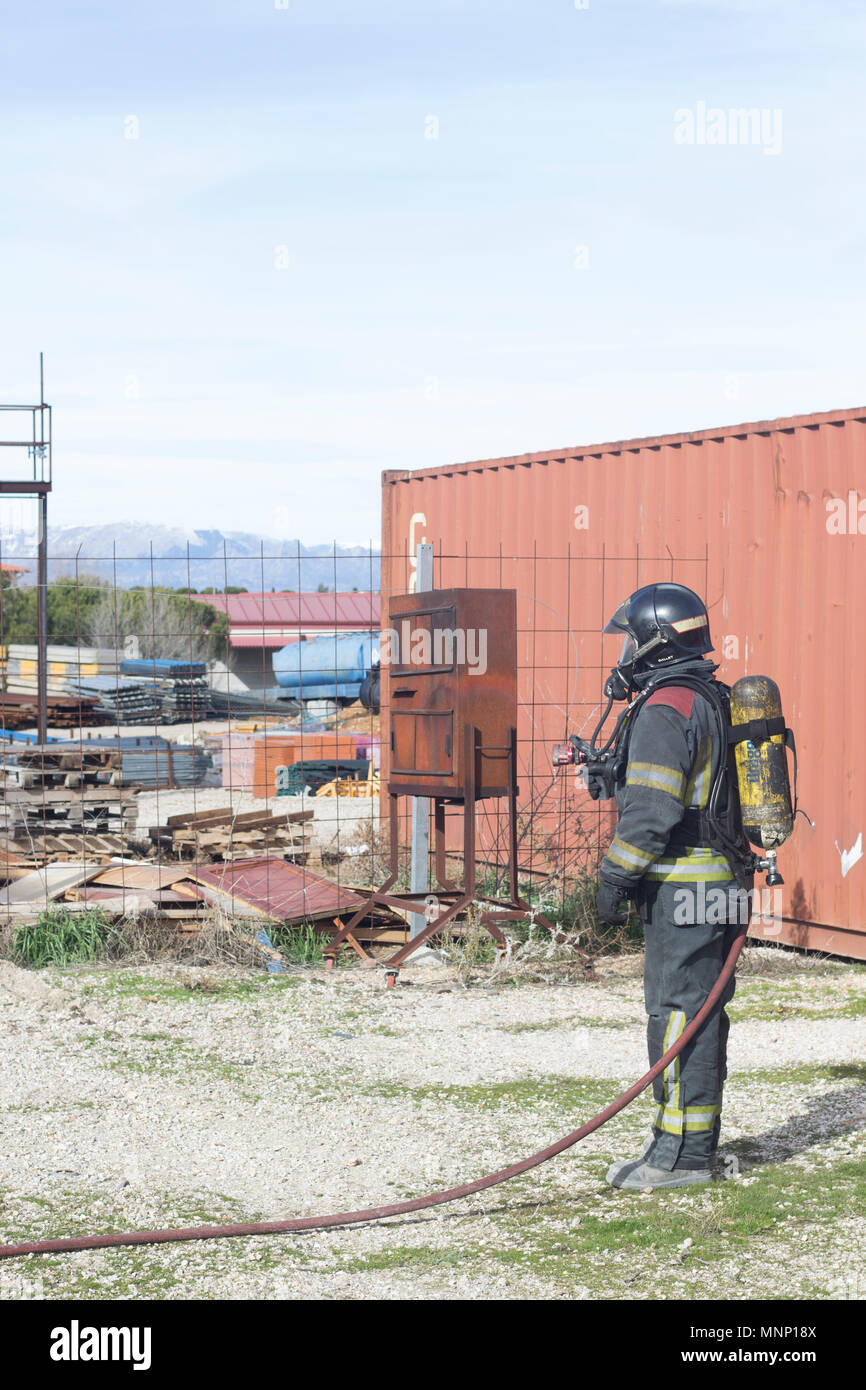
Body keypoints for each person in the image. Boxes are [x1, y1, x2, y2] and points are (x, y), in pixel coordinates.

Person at [594, 582, 750, 1190]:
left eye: (632, 637)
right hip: (722, 886)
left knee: (679, 1016)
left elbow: (652, 813)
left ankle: (681, 1159)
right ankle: (681, 1140)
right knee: (701, 1016)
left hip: (685, 892)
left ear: (654, 640)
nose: (626, 649)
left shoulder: (666, 708)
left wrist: (614, 878)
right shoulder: (712, 697)